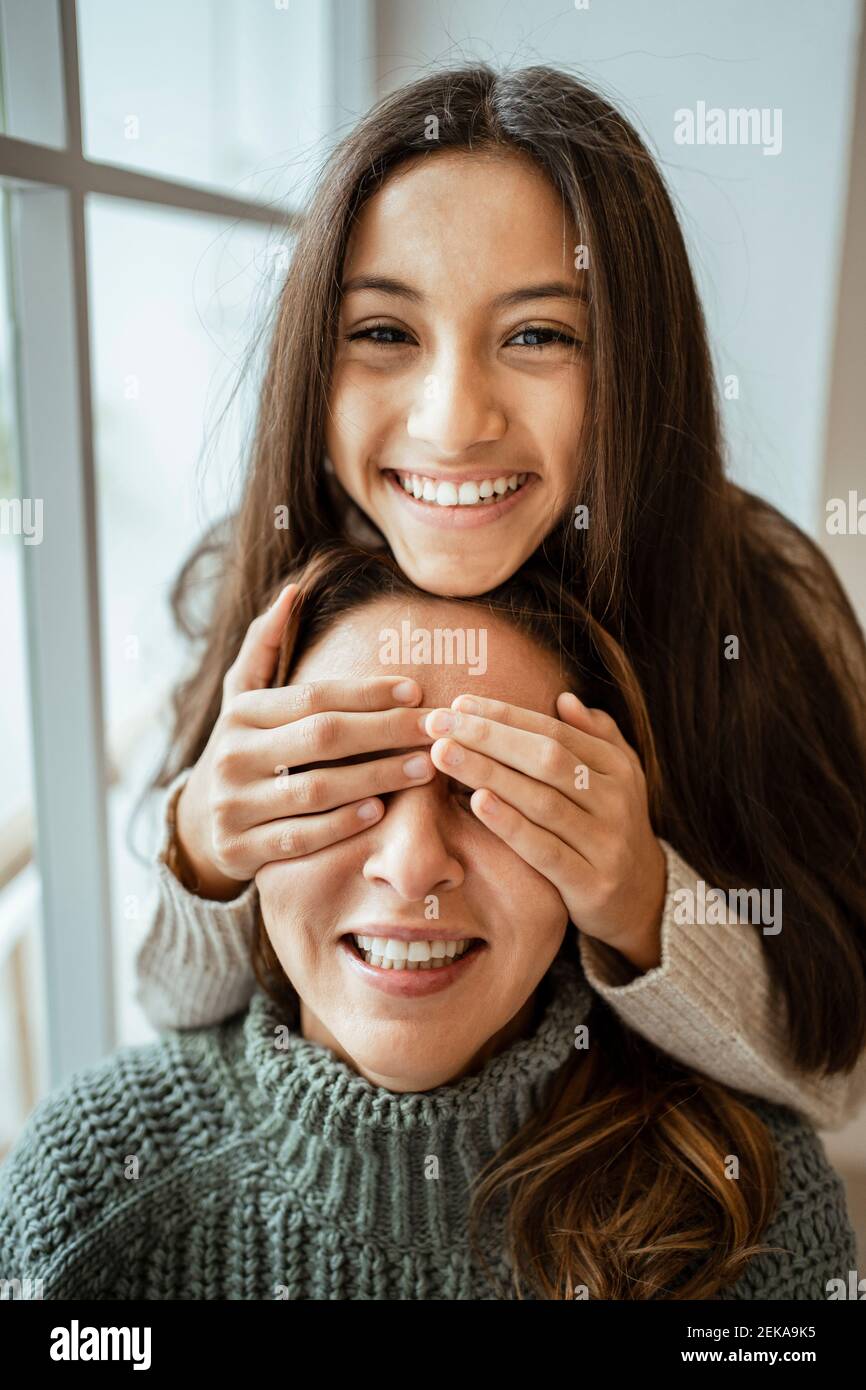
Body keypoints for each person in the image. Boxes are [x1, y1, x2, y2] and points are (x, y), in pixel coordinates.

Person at [137, 64, 866, 1128]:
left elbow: (838, 1075)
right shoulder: (256, 585)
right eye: (384, 332)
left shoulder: (757, 605)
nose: (452, 420)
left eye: (537, 336)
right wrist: (200, 848)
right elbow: (169, 1001)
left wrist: (640, 905)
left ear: (633, 362)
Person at [0, 551, 856, 1299]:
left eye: (495, 794)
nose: (413, 866)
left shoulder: (749, 1212)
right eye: (340, 774)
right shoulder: (91, 1180)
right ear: (241, 814)